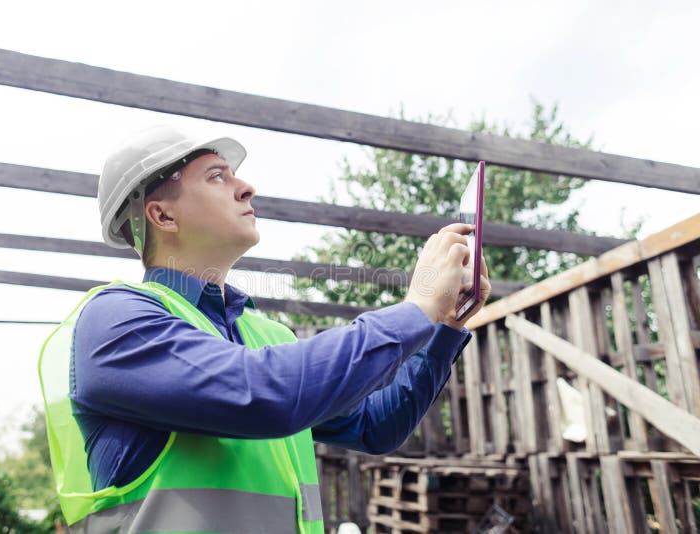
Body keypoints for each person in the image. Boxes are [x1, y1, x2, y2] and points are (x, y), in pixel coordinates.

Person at [39, 125, 491, 533]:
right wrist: (416, 307)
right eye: (217, 176)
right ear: (163, 216)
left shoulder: (267, 337)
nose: (246, 186)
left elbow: (377, 425)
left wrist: (444, 325)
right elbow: (268, 393)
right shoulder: (117, 322)